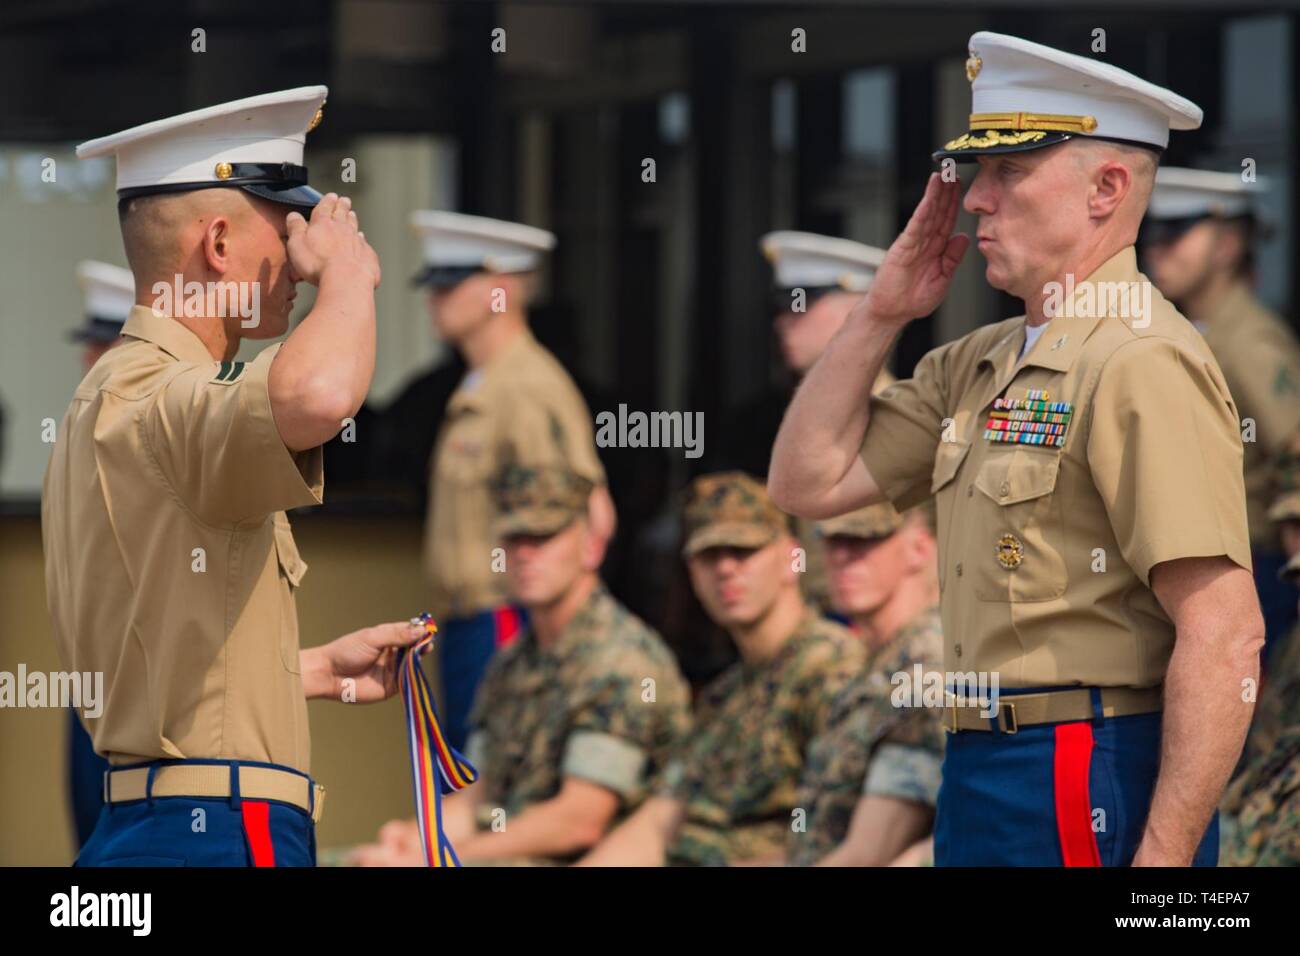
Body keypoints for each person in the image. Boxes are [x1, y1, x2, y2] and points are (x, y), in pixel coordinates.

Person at [769, 32, 1263, 866]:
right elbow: (805, 480)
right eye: (976, 172)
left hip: (1083, 763)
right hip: (979, 760)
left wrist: (1165, 865)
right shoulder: (978, 359)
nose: (974, 200)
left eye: (1010, 171)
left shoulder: (1140, 359)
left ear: (1107, 188)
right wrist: (880, 313)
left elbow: (1224, 632)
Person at [45, 87, 415, 867]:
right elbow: (318, 396)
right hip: (214, 828)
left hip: (149, 822)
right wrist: (350, 278)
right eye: (285, 229)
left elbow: (159, 636)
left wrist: (302, 671)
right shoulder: (164, 395)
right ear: (218, 244)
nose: (301, 263)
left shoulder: (106, 396)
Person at [350, 464, 691, 866]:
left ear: (591, 547)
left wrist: (439, 857)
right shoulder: (511, 662)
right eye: (514, 539)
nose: (526, 553)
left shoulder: (625, 660)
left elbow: (579, 820)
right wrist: (411, 839)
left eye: (544, 537)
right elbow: (480, 793)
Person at [576, 472, 863, 866]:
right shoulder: (724, 696)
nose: (726, 569)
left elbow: (841, 838)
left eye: (743, 551)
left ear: (791, 559)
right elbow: (660, 820)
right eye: (709, 556)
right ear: (692, 573)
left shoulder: (832, 669)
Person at [411, 210, 616, 752]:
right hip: (469, 622)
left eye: (452, 285)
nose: (435, 300)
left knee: (492, 784)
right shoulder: (484, 382)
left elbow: (587, 514)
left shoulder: (525, 386)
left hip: (507, 619)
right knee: (466, 777)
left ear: (499, 290)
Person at [1140, 167, 1300, 656]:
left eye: (1177, 234)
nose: (1156, 250)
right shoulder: (1197, 331)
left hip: (1259, 570)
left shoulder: (1248, 340)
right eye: (1153, 237)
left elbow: (1295, 453)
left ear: (1229, 244)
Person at [787, 503, 945, 866]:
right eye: (833, 541)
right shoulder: (877, 662)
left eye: (864, 541)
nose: (843, 557)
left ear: (918, 550)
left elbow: (868, 854)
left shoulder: (925, 671)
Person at [62, 259, 134, 848]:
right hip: (93, 660)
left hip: (136, 670)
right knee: (91, 830)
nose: (89, 359)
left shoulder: (149, 422)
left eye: (103, 344)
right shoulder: (88, 424)